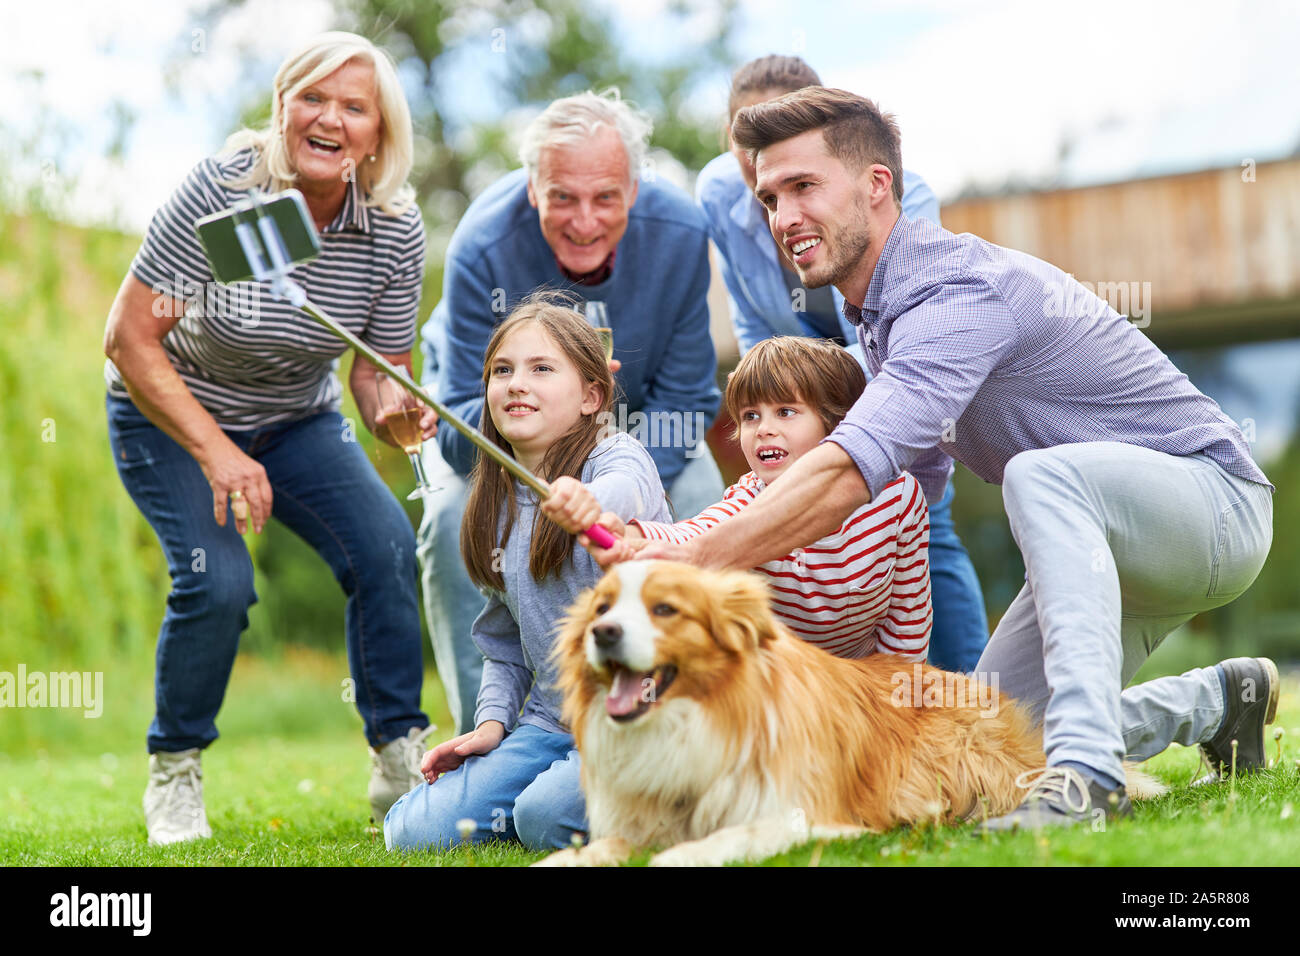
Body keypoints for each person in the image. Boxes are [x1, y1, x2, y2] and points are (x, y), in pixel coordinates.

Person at [629, 86, 1277, 830]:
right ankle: (1222, 700)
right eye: (770, 197)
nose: (783, 217)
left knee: (1041, 471)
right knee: (980, 730)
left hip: (1214, 509)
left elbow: (849, 471)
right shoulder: (879, 318)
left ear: (877, 187)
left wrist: (696, 562)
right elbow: (902, 491)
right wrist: (672, 541)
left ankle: (1086, 782)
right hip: (1111, 542)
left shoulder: (952, 292)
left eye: (804, 186)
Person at [102, 32, 435, 844]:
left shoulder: (392, 226)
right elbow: (129, 338)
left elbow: (373, 370)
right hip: (171, 412)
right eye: (311, 98)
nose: (329, 118)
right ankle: (174, 769)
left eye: (353, 107)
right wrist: (216, 450)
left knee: (389, 548)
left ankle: (398, 761)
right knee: (217, 583)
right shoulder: (225, 193)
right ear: (282, 106)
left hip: (295, 417)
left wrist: (392, 410)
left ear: (379, 133)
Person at [416, 89, 724, 735]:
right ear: (533, 188)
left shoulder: (683, 233)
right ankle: (488, 730)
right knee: (448, 521)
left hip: (631, 436)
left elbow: (690, 398)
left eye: (605, 198)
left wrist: (610, 496)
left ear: (634, 190)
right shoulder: (482, 241)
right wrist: (539, 489)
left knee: (703, 492)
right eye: (562, 197)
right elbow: (451, 427)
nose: (584, 220)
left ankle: (695, 715)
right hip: (504, 448)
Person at [695, 55, 987, 672]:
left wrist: (824, 392)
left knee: (920, 519)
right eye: (744, 137)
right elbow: (749, 307)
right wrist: (771, 385)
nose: (757, 161)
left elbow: (904, 322)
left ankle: (963, 686)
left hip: (873, 365)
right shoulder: (721, 191)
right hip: (795, 364)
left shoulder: (903, 198)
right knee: (783, 524)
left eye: (795, 172)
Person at [384, 297, 671, 852]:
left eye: (542, 369)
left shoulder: (617, 458)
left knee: (541, 816)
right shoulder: (494, 502)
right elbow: (504, 645)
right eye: (502, 370)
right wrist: (491, 726)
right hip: (550, 724)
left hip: (641, 711)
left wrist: (586, 505)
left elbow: (622, 493)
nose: (517, 383)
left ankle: (661, 796)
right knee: (410, 832)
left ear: (592, 396)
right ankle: (562, 798)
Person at [550, 336, 933, 661]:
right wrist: (627, 537)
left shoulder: (897, 497)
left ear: (836, 423)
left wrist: (892, 700)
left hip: (866, 677)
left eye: (786, 412)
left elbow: (908, 617)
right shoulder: (750, 500)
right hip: (779, 681)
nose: (764, 429)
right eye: (750, 416)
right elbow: (693, 536)